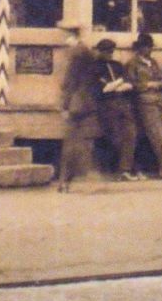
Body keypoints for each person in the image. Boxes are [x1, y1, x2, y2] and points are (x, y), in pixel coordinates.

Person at [127, 33, 162, 179]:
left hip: (159, 100)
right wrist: (148, 84)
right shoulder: (133, 64)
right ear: (140, 48)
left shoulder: (154, 62)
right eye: (147, 47)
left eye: (151, 47)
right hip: (145, 102)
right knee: (158, 136)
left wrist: (159, 84)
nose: (150, 50)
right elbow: (131, 84)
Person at [92, 36, 141, 180]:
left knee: (131, 134)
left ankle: (126, 169)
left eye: (111, 51)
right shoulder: (94, 67)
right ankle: (124, 170)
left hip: (123, 103)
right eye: (106, 51)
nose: (109, 54)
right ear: (99, 51)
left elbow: (131, 84)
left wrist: (117, 86)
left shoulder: (117, 65)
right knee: (116, 137)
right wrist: (119, 82)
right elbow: (102, 89)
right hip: (107, 105)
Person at [57, 25, 99, 191]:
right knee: (83, 142)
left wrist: (65, 106)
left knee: (71, 143)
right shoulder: (86, 51)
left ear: (71, 35)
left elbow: (70, 82)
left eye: (65, 36)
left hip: (76, 103)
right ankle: (76, 178)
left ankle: (65, 181)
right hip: (88, 102)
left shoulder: (75, 53)